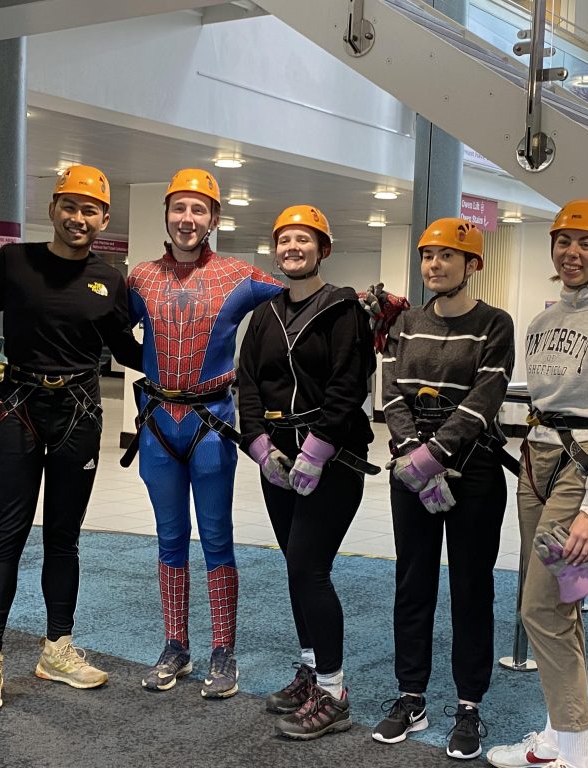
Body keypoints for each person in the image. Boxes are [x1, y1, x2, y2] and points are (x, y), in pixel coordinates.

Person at [0, 165, 142, 711]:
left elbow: (127, 351)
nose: (78, 217)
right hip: (20, 408)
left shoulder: (110, 279)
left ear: (104, 218)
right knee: (8, 532)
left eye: (90, 210)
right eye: (70, 206)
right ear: (53, 209)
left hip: (80, 413)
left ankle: (57, 648)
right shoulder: (14, 261)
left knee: (64, 536)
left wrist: (188, 356)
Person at [486, 200, 588, 768]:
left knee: (540, 609)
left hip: (578, 478)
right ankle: (559, 735)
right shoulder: (544, 321)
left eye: (586, 243)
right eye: (563, 241)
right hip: (535, 463)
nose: (572, 252)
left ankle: (575, 754)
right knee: (562, 604)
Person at [127, 168, 282, 698]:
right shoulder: (139, 277)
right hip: (158, 426)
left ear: (214, 218)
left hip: (212, 425)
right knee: (170, 540)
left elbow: (295, 299)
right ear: (166, 215)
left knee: (217, 538)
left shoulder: (239, 276)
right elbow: (108, 329)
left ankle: (223, 651)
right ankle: (175, 646)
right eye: (179, 209)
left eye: (198, 210)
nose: (187, 219)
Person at [372, 218, 514, 760]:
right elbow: (391, 392)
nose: (433, 265)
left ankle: (470, 704)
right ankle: (412, 695)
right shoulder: (405, 323)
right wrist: (412, 454)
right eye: (428, 256)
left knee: (472, 588)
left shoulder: (494, 324)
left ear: (472, 264)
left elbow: (485, 397)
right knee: (412, 583)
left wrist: (434, 455)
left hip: (472, 472)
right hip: (411, 473)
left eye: (446, 257)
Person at [237, 205, 375, 739]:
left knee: (309, 569)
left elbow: (349, 385)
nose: (292, 248)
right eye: (285, 240)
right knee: (295, 568)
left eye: (303, 240)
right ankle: (313, 669)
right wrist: (258, 446)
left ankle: (335, 692)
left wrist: (316, 451)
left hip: (331, 460)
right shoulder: (265, 314)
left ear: (324, 249)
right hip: (277, 459)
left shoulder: (343, 309)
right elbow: (247, 384)